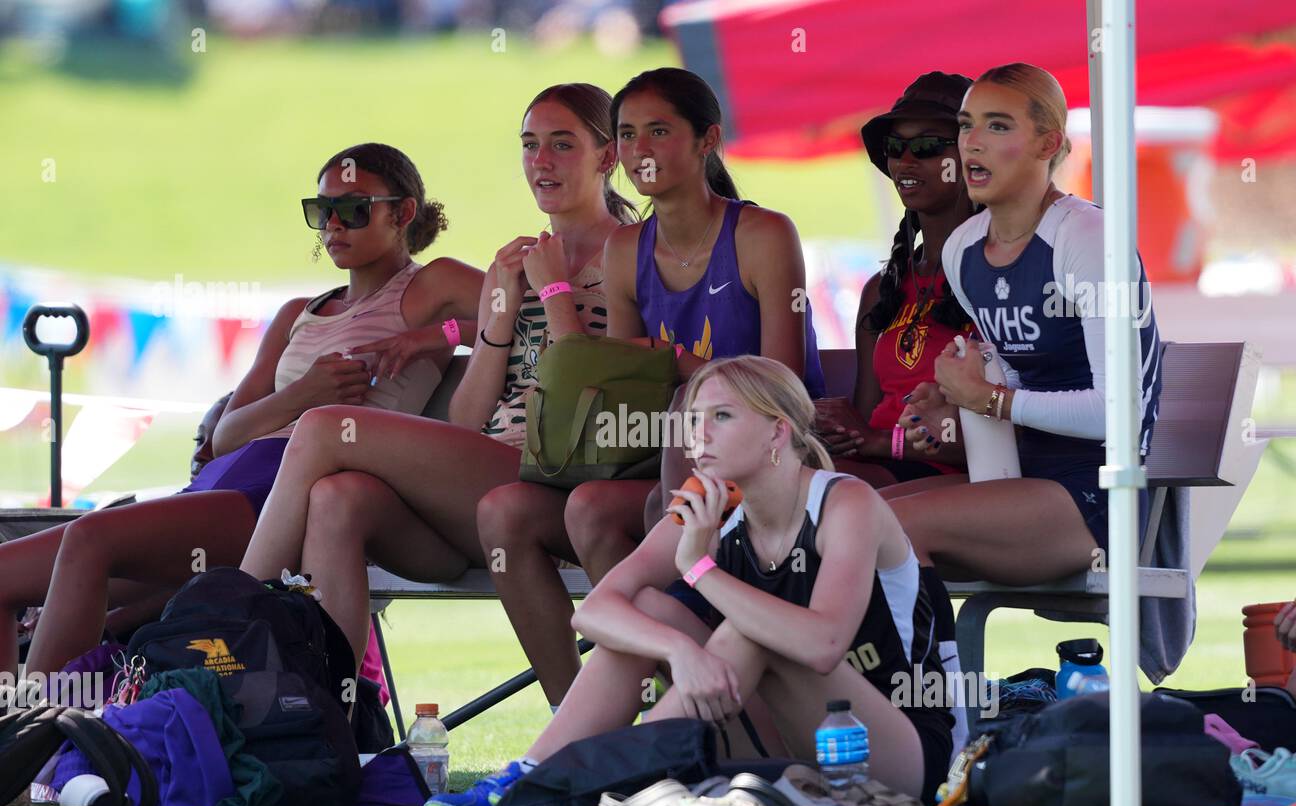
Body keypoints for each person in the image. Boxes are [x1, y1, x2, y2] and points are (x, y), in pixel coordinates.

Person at [0, 142, 481, 681]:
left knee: (90, 539)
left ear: (403, 212)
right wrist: (306, 391)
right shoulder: (298, 313)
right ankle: (22, 747)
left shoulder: (430, 285)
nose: (333, 226)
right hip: (223, 481)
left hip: (278, 497)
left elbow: (528, 313)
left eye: (353, 209)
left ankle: (41, 737)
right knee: (7, 577)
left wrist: (436, 335)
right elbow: (227, 435)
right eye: (321, 211)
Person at [426, 355, 956, 806]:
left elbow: (822, 646)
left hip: (901, 755)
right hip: (793, 743)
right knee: (649, 610)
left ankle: (598, 781)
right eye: (694, 421)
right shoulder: (711, 502)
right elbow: (595, 612)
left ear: (777, 432)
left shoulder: (845, 503)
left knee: (751, 633)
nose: (698, 436)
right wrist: (680, 652)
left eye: (721, 418)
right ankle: (533, 774)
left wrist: (700, 569)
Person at [238, 84, 637, 658]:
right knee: (336, 498)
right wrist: (497, 317)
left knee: (325, 426)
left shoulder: (628, 254)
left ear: (607, 157)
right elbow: (469, 416)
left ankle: (235, 617)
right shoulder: (515, 263)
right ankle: (330, 717)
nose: (540, 161)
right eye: (529, 145)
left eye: (561, 144)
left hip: (565, 482)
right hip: (485, 487)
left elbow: (598, 402)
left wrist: (551, 291)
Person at [484, 67, 829, 706]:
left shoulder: (762, 234)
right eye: (629, 134)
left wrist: (676, 367)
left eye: (660, 131)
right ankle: (615, 710)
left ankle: (702, 703)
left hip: (765, 462)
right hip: (665, 451)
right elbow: (628, 385)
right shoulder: (626, 247)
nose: (642, 150)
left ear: (708, 141)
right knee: (548, 507)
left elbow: (783, 391)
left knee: (632, 502)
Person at [889, 62, 1163, 585]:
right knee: (841, 515)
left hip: (1099, 495)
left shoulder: (1086, 237)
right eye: (967, 125)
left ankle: (928, 666)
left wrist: (987, 400)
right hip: (1014, 478)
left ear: (1047, 144)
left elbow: (1119, 415)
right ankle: (916, 666)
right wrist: (950, 403)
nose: (972, 143)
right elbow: (1014, 376)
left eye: (998, 126)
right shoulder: (964, 249)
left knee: (884, 524)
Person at [815, 72, 976, 494]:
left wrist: (879, 443)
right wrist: (832, 428)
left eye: (925, 147)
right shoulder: (880, 289)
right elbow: (867, 422)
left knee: (806, 497)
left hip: (956, 482)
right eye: (895, 147)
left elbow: (1004, 440)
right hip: (880, 475)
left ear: (970, 157)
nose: (905, 160)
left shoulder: (998, 277)